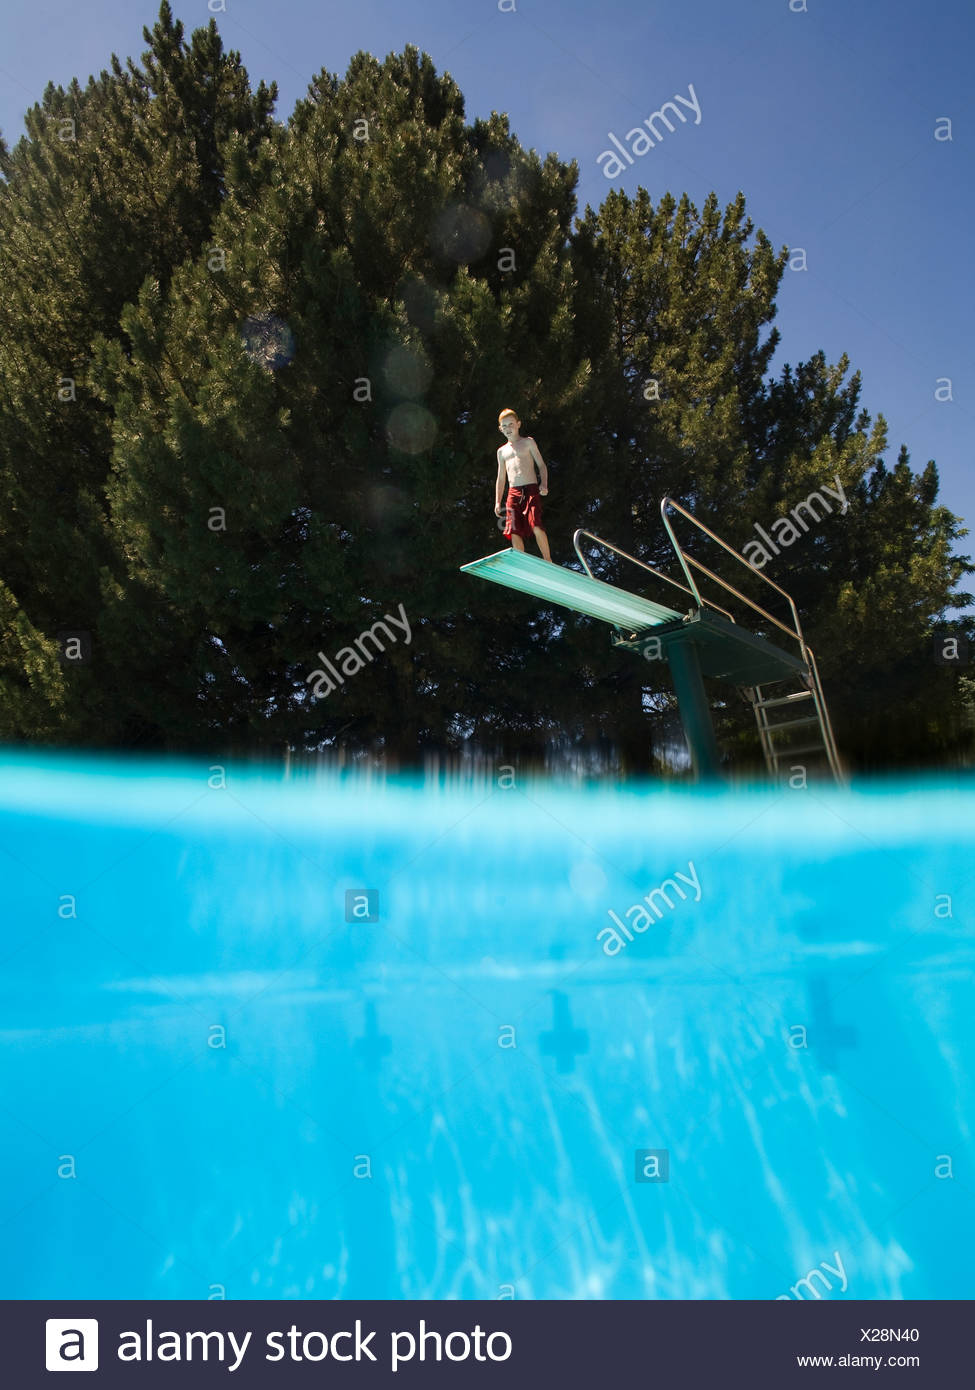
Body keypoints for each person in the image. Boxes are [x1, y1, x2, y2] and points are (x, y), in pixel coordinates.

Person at [493, 409, 552, 562]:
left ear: (518, 424)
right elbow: (501, 479)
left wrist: (543, 484)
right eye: (504, 426)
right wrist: (498, 502)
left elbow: (542, 465)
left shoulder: (528, 442)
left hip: (531, 489)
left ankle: (548, 559)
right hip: (513, 493)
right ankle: (522, 562)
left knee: (536, 525)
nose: (508, 428)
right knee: (513, 530)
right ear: (500, 429)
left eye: (511, 424)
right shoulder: (501, 451)